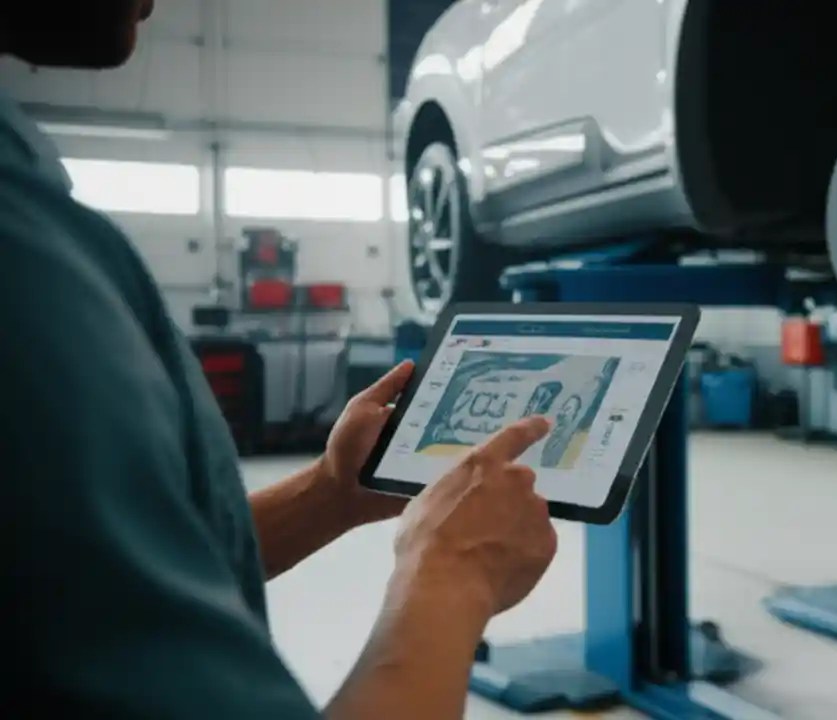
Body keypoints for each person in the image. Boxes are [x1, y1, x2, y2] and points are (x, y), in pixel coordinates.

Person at [0, 1, 558, 717]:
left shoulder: (28, 201)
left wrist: (331, 494)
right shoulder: (21, 264)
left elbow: (75, 586)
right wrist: (455, 573)